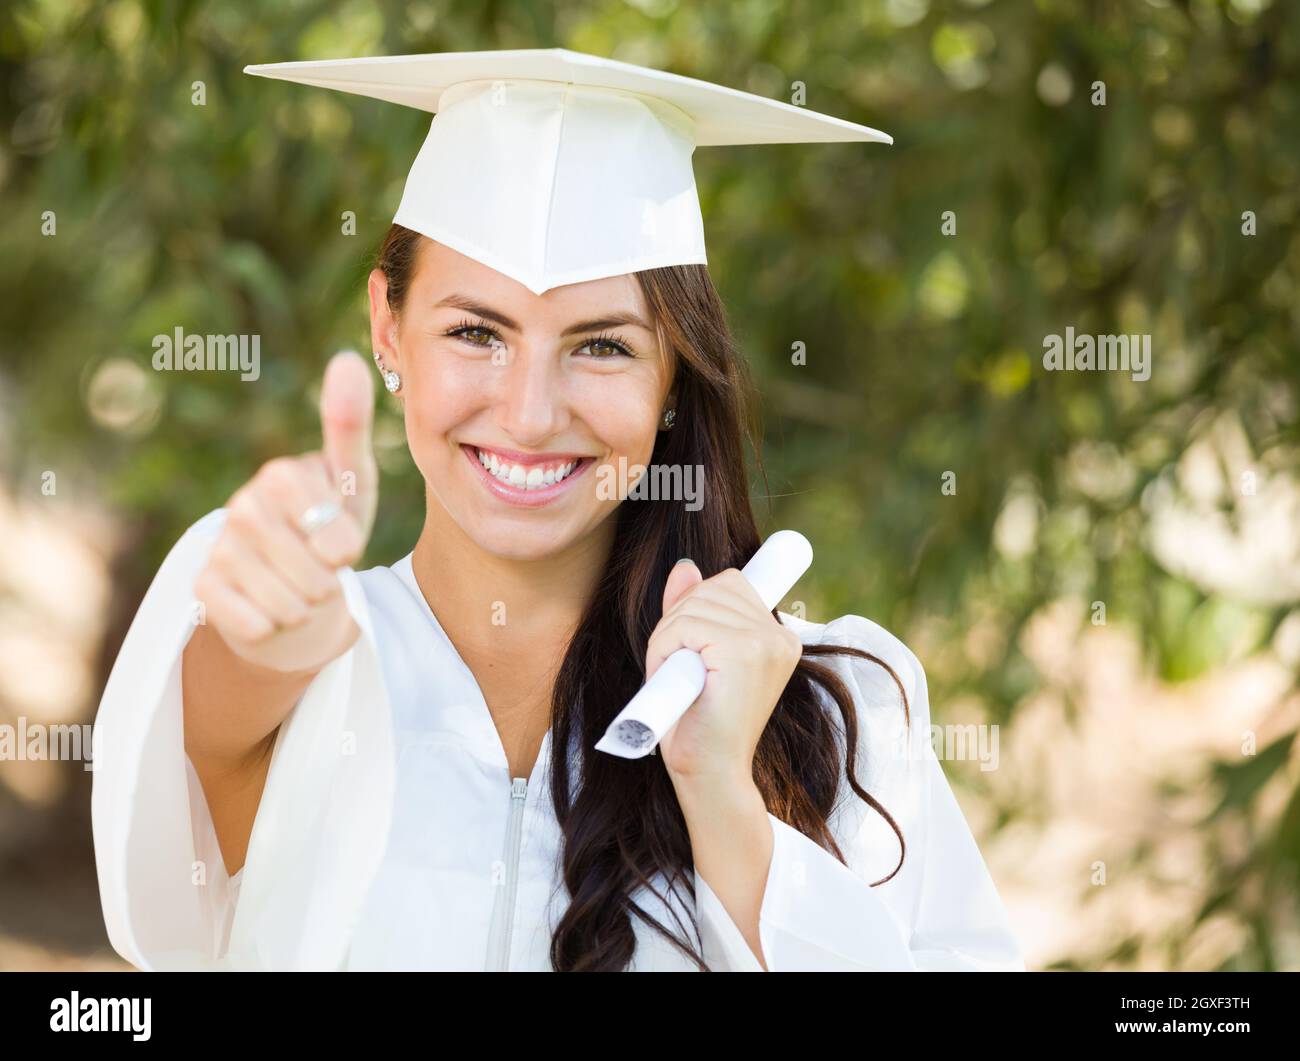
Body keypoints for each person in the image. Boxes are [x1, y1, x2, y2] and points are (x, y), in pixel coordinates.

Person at [91, 48, 1025, 972]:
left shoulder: (835, 711)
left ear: (673, 376)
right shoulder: (301, 684)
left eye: (603, 347)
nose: (531, 413)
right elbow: (179, 815)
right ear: (387, 328)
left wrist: (727, 804)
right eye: (474, 332)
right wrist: (267, 643)